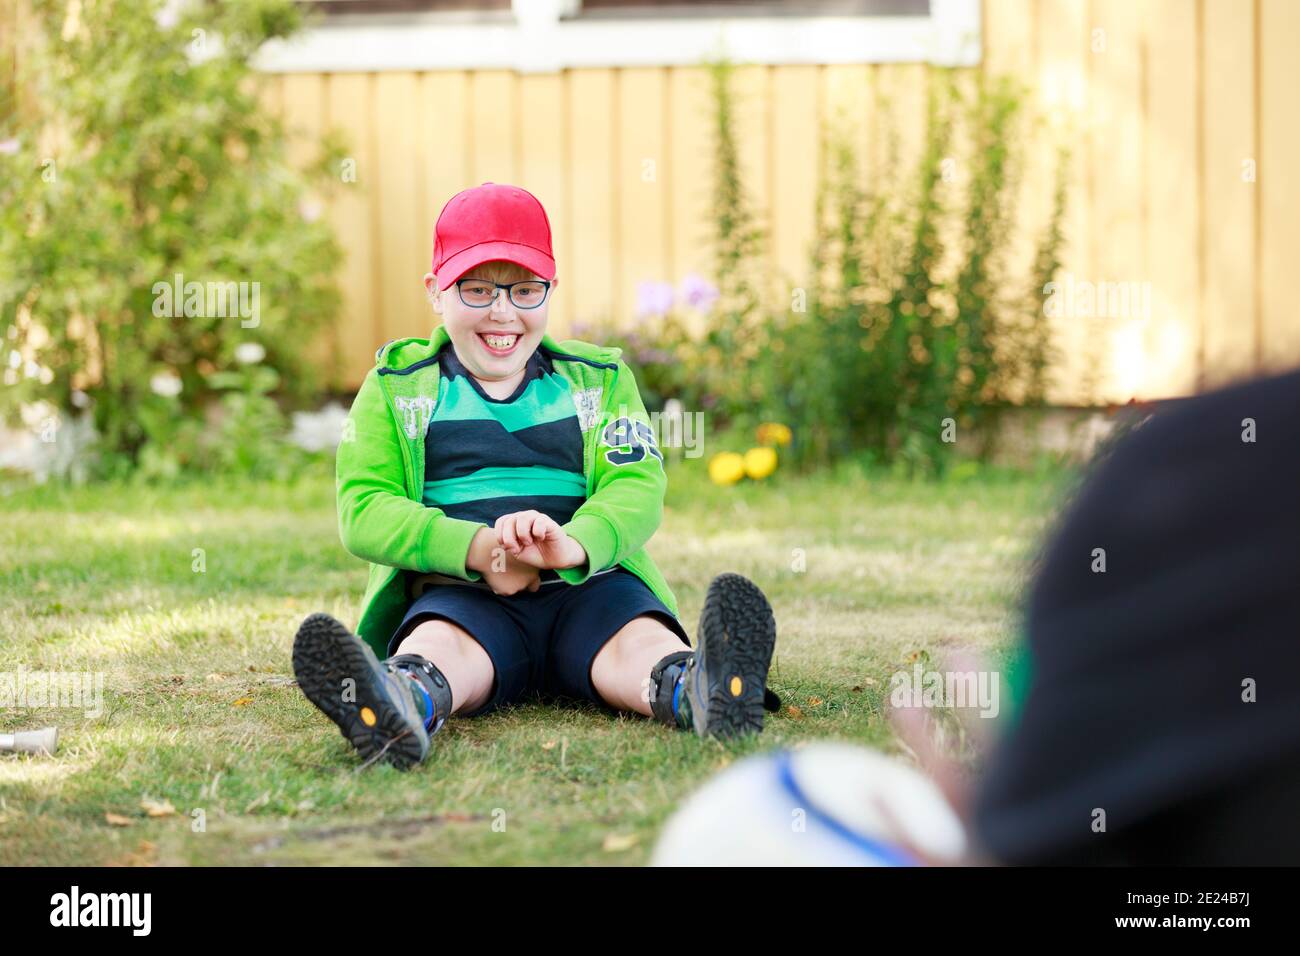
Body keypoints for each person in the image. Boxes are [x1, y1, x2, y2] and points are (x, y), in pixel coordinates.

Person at [292, 182, 779, 769]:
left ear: (550, 290)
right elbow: (365, 510)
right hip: (464, 594)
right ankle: (399, 701)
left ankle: (699, 688)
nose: (503, 311)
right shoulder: (398, 389)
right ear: (435, 292)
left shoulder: (597, 380)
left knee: (639, 643)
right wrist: (481, 549)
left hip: (591, 587)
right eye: (476, 289)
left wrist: (572, 545)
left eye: (525, 290)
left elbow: (637, 485)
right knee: (441, 648)